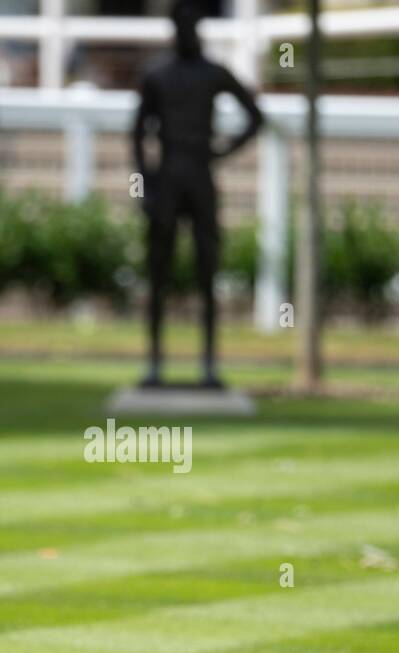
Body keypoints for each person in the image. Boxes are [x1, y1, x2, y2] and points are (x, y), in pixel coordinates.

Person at [132, 0, 263, 387]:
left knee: (207, 271)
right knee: (159, 272)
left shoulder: (213, 74)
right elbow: (138, 134)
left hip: (201, 175)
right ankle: (155, 364)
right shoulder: (157, 76)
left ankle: (208, 364)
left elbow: (255, 116)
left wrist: (222, 150)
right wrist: (145, 184)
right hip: (169, 176)